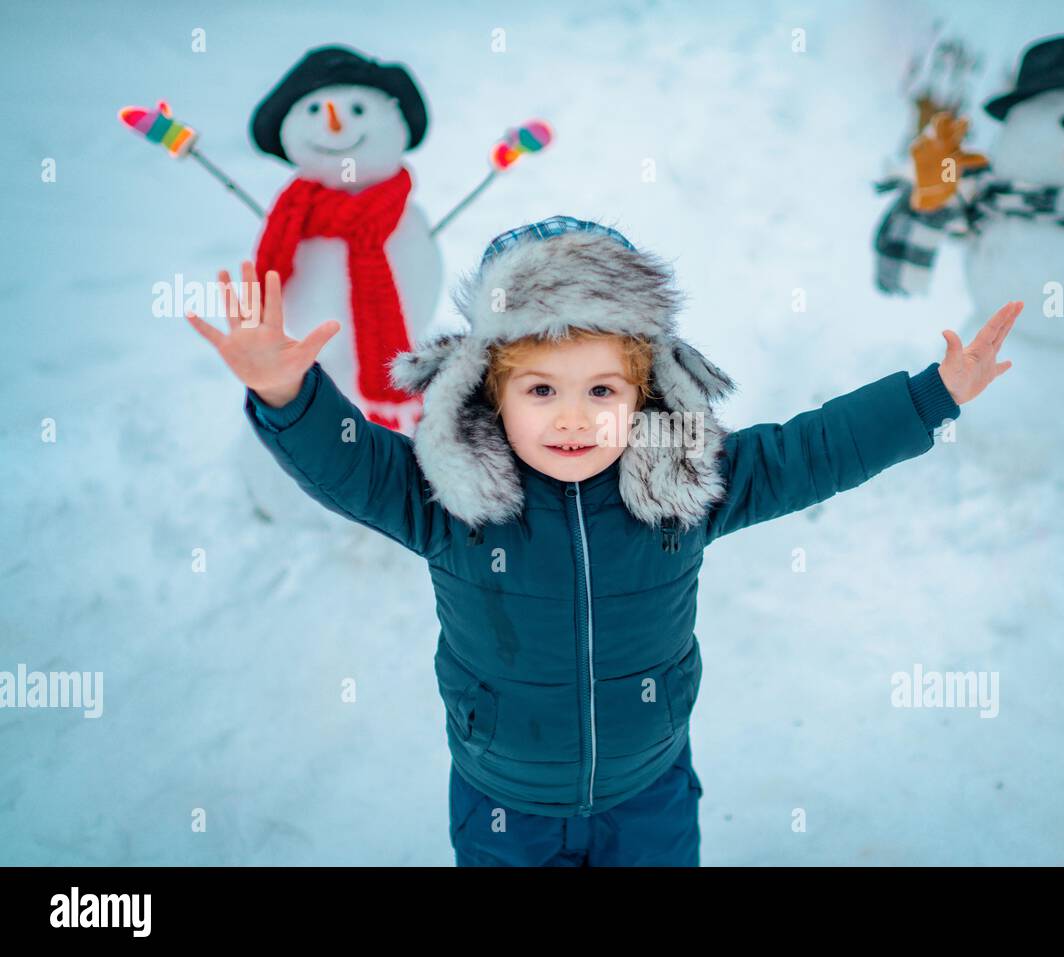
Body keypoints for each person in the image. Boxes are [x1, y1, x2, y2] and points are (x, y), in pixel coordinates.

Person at [186, 215, 1019, 866]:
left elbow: (817, 447)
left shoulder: (685, 487)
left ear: (647, 391)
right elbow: (352, 467)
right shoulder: (452, 498)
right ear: (489, 391)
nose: (575, 417)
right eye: (542, 388)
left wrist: (933, 394)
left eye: (602, 389)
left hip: (646, 789)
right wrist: (287, 391)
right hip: (503, 802)